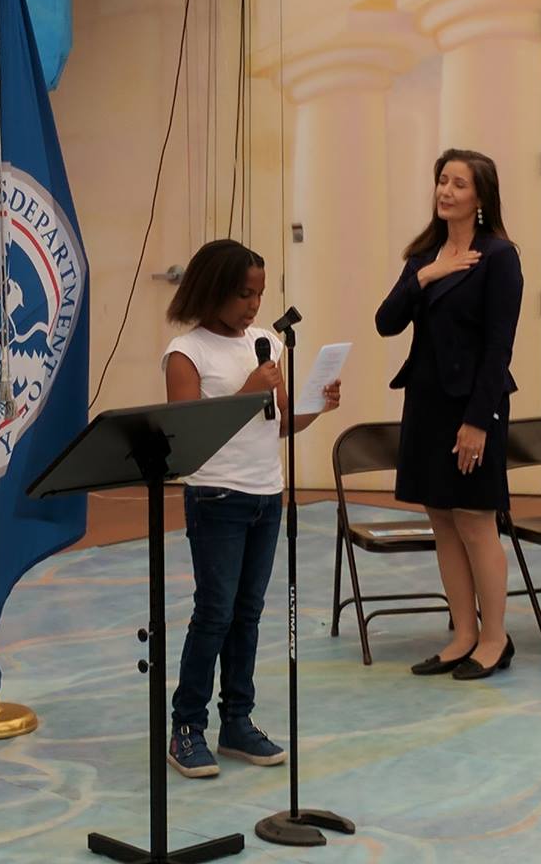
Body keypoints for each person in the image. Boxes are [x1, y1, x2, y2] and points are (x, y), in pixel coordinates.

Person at [163, 238, 341, 777]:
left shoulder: (266, 343)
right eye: (243, 294)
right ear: (211, 290)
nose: (253, 307)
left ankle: (237, 719)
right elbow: (189, 435)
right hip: (217, 496)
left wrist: (317, 405)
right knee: (213, 613)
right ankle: (186, 726)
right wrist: (247, 390)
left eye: (259, 294)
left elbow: (279, 422)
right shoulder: (185, 352)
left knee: (249, 614)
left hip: (267, 496)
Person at [375, 148, 523, 681]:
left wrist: (478, 421)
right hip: (427, 403)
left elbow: (498, 347)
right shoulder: (425, 257)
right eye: (442, 181)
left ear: (480, 197)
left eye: (458, 184)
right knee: (441, 517)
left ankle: (495, 637)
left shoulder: (500, 257)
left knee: (476, 521)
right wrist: (428, 275)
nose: (446, 191)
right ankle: (462, 633)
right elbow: (385, 322)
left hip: (473, 408)